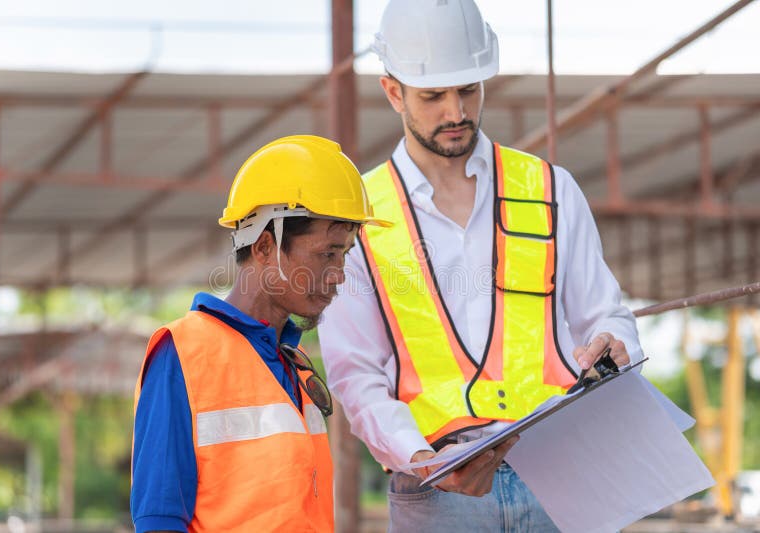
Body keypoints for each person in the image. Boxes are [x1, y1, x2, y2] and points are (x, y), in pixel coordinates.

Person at [317, 0, 644, 531]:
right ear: (393, 92)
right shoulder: (360, 215)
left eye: (468, 89)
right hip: (441, 492)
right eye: (433, 95)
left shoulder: (550, 190)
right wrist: (425, 461)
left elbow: (608, 317)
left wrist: (614, 341)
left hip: (559, 473)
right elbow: (356, 376)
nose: (456, 111)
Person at [130, 135, 390, 532]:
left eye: (345, 254)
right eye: (327, 253)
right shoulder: (182, 353)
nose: (339, 273)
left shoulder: (294, 365)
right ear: (266, 246)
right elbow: (159, 518)